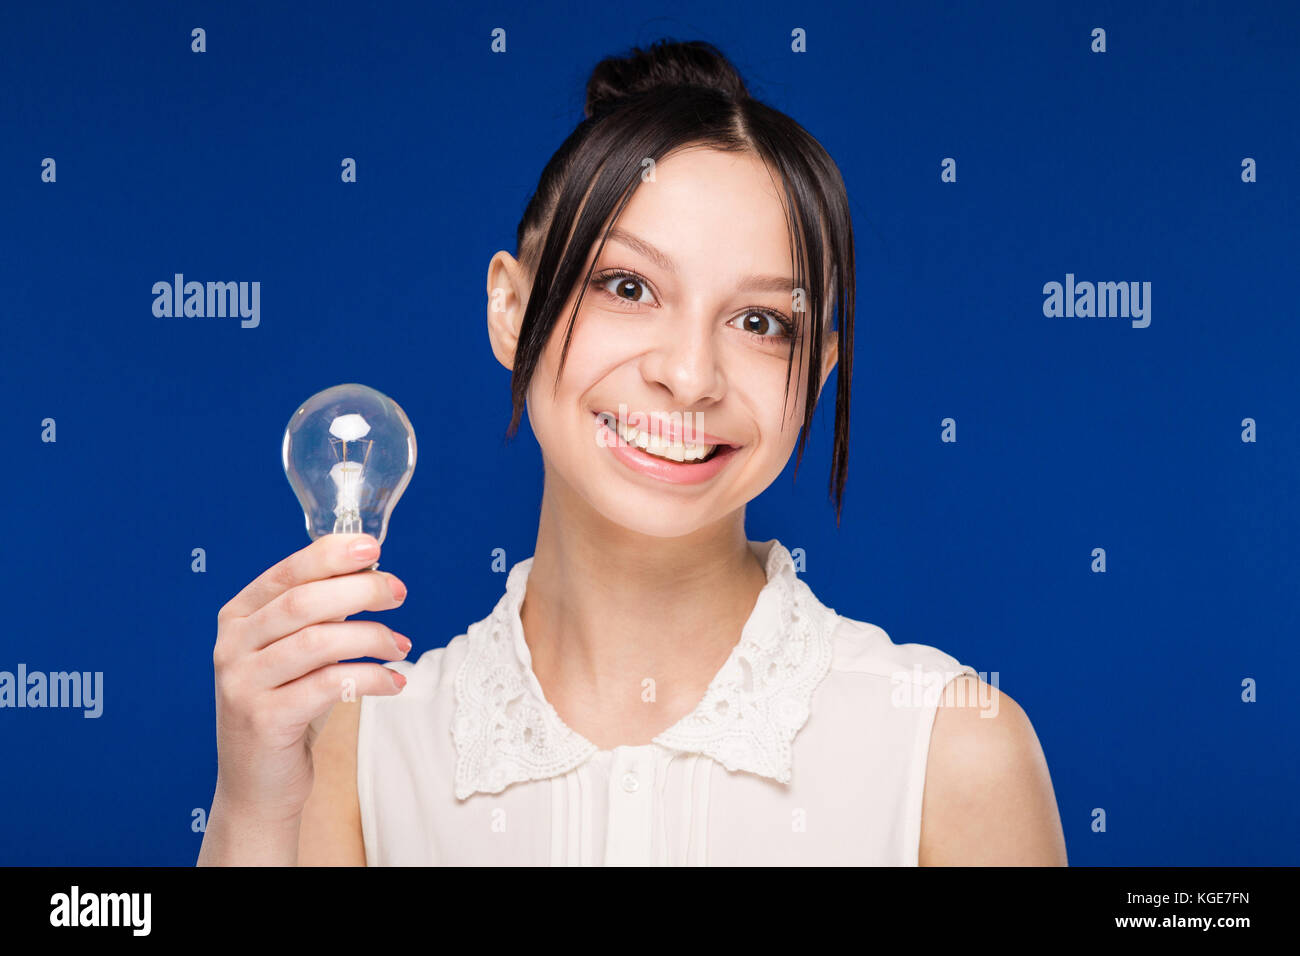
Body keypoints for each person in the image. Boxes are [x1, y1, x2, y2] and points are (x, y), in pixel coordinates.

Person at [198, 38, 1067, 866]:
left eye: (761, 322)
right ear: (510, 307)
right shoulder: (358, 749)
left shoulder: (949, 745)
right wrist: (253, 808)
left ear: (818, 373)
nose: (690, 376)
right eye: (628, 287)